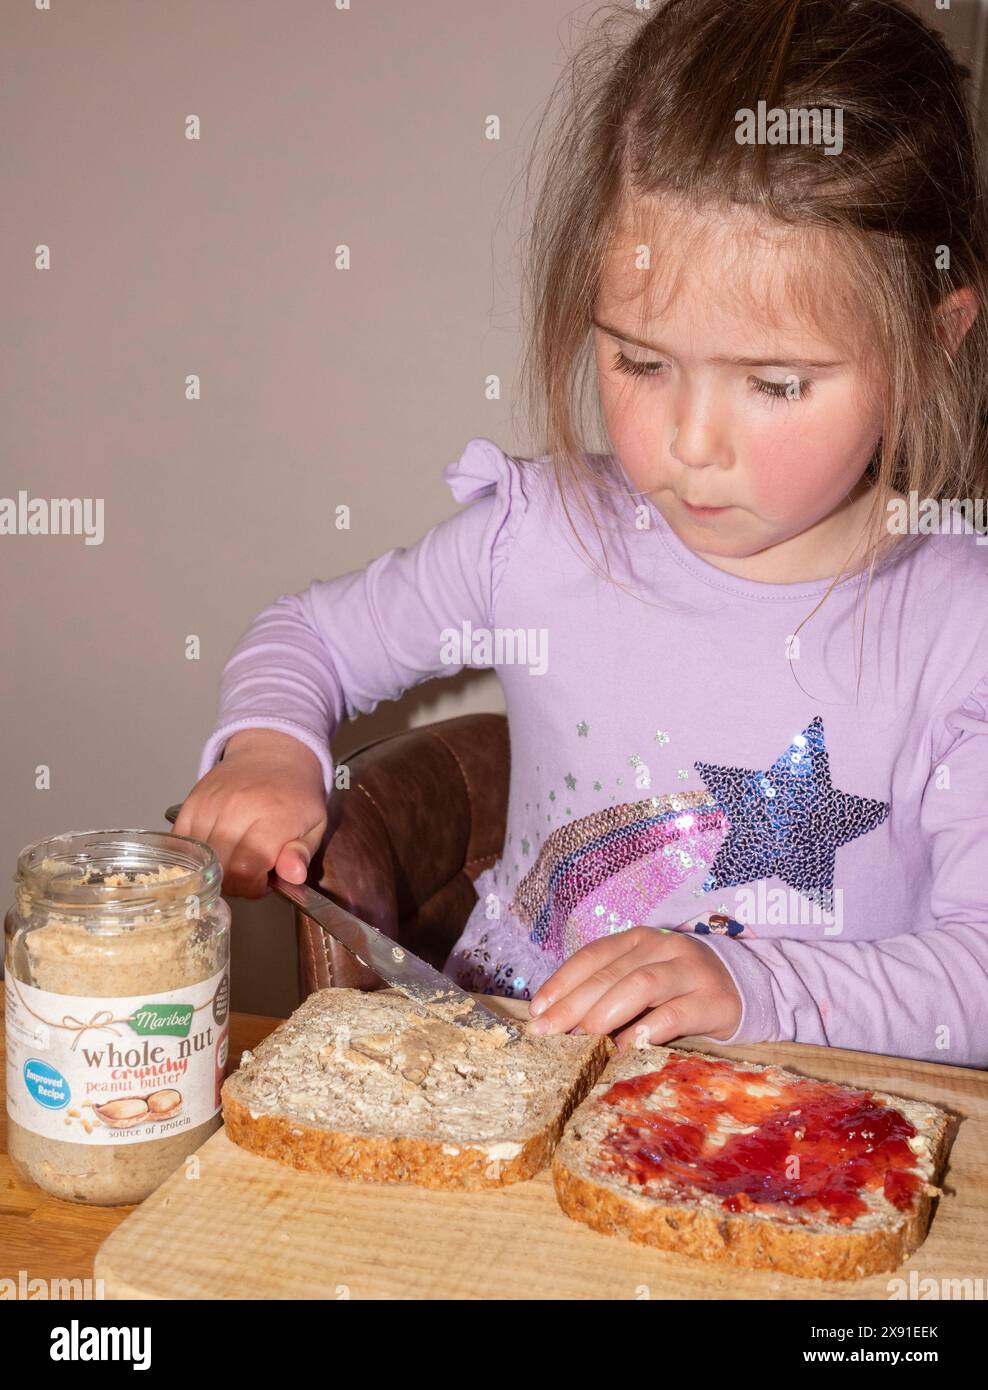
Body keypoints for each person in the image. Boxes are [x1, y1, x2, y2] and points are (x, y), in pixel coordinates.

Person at [173, 0, 988, 1066]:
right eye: (640, 363)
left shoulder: (957, 624)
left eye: (776, 382)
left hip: (802, 1146)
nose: (691, 443)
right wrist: (272, 748)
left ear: (932, 344)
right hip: (515, 1088)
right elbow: (309, 636)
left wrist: (752, 985)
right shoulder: (541, 538)